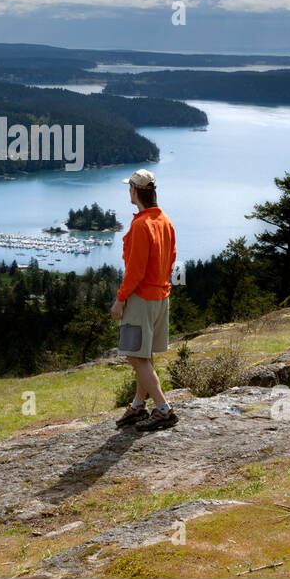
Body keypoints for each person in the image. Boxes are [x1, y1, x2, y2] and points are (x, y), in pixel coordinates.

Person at [112, 169, 178, 431]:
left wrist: (120, 299)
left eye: (129, 187)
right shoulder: (165, 221)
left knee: (134, 356)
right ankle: (139, 406)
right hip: (161, 296)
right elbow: (171, 260)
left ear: (134, 191)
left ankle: (163, 409)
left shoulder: (141, 225)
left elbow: (135, 271)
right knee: (144, 354)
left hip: (141, 299)